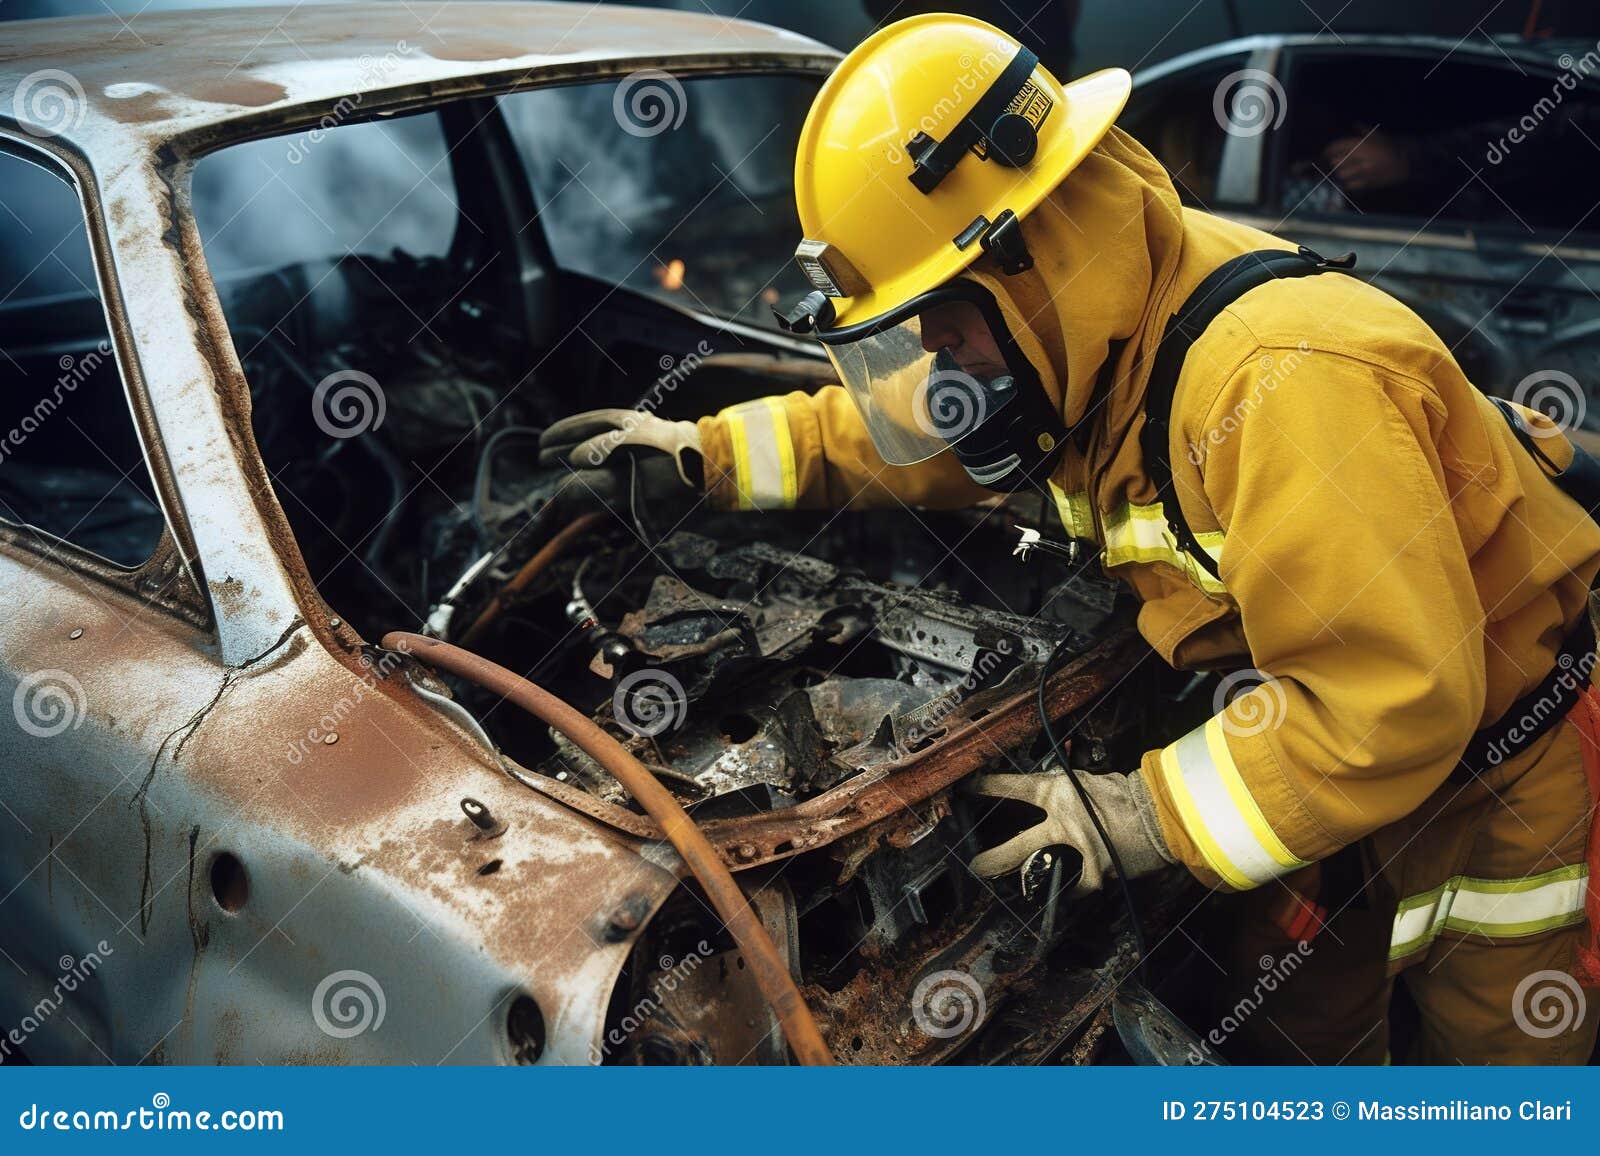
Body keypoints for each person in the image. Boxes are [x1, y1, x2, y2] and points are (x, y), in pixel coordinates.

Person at [539, 14, 1600, 1063]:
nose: (931, 343)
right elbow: (913, 429)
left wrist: (1139, 814)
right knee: (1295, 1030)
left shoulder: (1276, 378)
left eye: (940, 311)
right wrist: (706, 452)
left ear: (1025, 260)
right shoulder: (1097, 326)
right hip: (1323, 769)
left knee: (1501, 1061)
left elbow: (1393, 696)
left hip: (1492, 783)